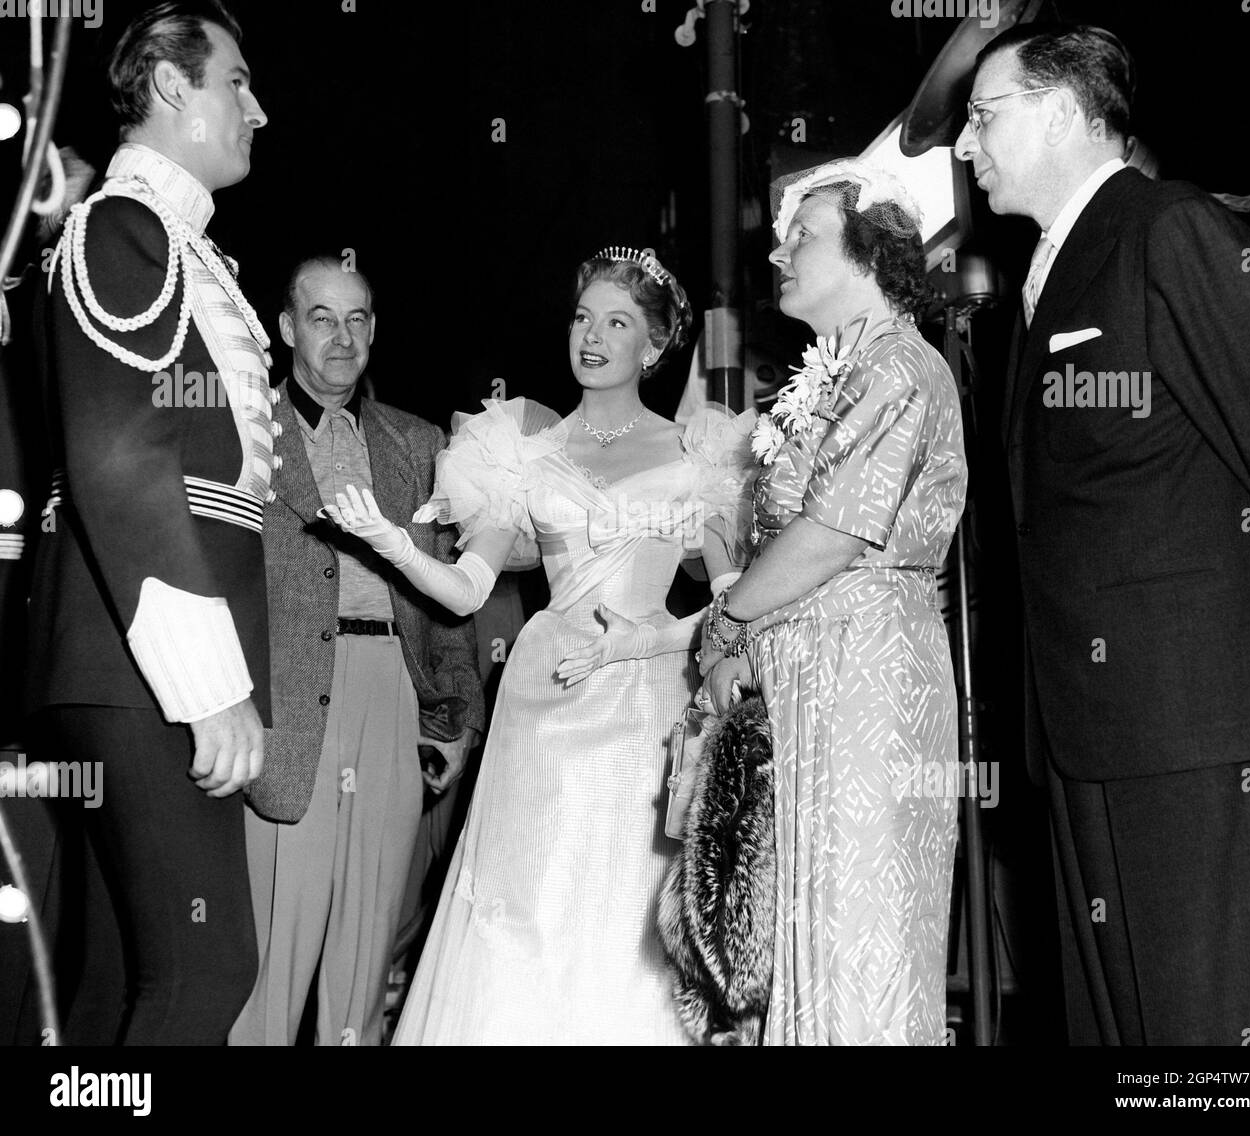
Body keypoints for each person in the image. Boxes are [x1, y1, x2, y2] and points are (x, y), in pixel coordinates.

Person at [955, 23, 1250, 1045]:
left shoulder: (1172, 232)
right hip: (1086, 731)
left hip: (1199, 727)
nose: (967, 147)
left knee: (1214, 1031)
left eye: (983, 116)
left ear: (1062, 112)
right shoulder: (1046, 276)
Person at [323, 246, 755, 1044]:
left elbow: (739, 611)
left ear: (654, 347)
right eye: (583, 317)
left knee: (624, 908)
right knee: (528, 896)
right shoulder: (520, 450)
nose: (592, 336)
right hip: (545, 689)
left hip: (647, 697)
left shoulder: (702, 456)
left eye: (617, 322)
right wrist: (392, 543)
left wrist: (641, 642)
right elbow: (468, 588)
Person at [23, 1, 273, 1044]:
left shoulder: (175, 242)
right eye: (236, 83)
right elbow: (124, 460)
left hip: (131, 661)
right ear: (174, 87)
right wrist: (207, 684)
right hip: (146, 663)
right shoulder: (120, 226)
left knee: (116, 981)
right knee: (206, 971)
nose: (258, 109)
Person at [698, 159, 968, 1045]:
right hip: (813, 665)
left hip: (868, 673)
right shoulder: (840, 372)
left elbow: (835, 532)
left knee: (862, 930)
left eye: (801, 235)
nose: (778, 251)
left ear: (869, 252)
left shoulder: (902, 367)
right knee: (807, 926)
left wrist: (728, 618)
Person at [228, 257, 483, 1046]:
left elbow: (447, 597)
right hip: (285, 693)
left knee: (371, 942)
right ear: (285, 328)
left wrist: (453, 713)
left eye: (359, 318)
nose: (343, 336)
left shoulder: (417, 441)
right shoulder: (243, 428)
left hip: (392, 687)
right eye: (322, 317)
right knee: (275, 940)